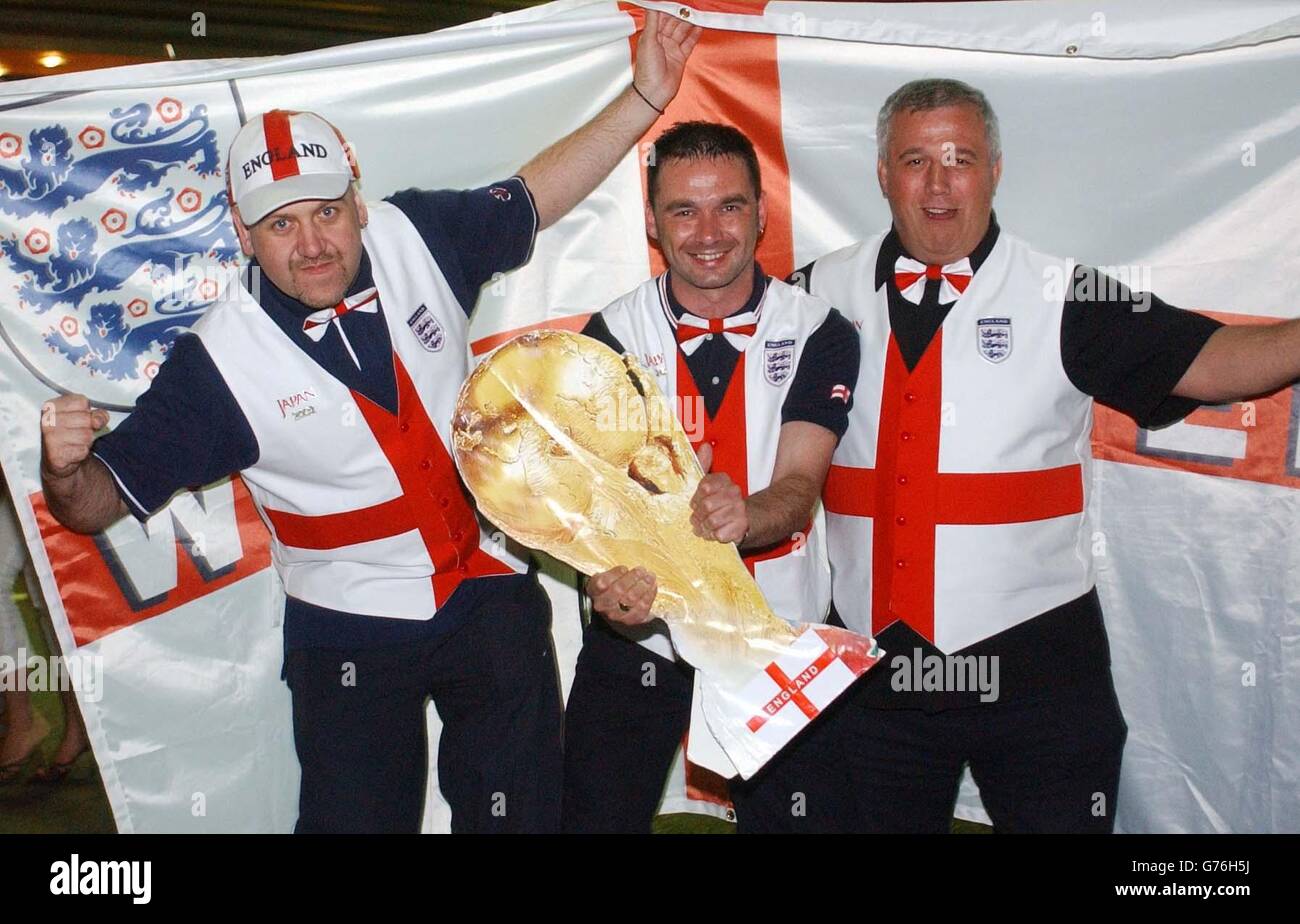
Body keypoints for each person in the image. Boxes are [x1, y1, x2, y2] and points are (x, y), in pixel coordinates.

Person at [37, 11, 701, 833]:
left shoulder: (417, 232)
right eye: (281, 224)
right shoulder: (215, 365)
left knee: (522, 817)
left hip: (490, 592)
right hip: (351, 631)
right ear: (242, 234)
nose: (312, 243)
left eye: (326, 212)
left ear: (357, 202)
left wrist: (644, 95)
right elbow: (102, 498)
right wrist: (67, 472)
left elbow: (536, 197)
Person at [792, 77, 1300, 833]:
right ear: (881, 173)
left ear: (996, 169)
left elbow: (1214, 361)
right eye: (915, 160)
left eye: (961, 159)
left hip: (1039, 674)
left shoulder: (1068, 296)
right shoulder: (810, 293)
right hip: (873, 677)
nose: (938, 183)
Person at [562, 121, 861, 833]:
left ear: (762, 214)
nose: (708, 232)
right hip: (644, 638)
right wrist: (605, 579)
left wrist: (746, 518)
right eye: (683, 210)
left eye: (729, 206)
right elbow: (593, 501)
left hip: (775, 630)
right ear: (652, 224)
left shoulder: (821, 330)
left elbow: (799, 487)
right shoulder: (606, 338)